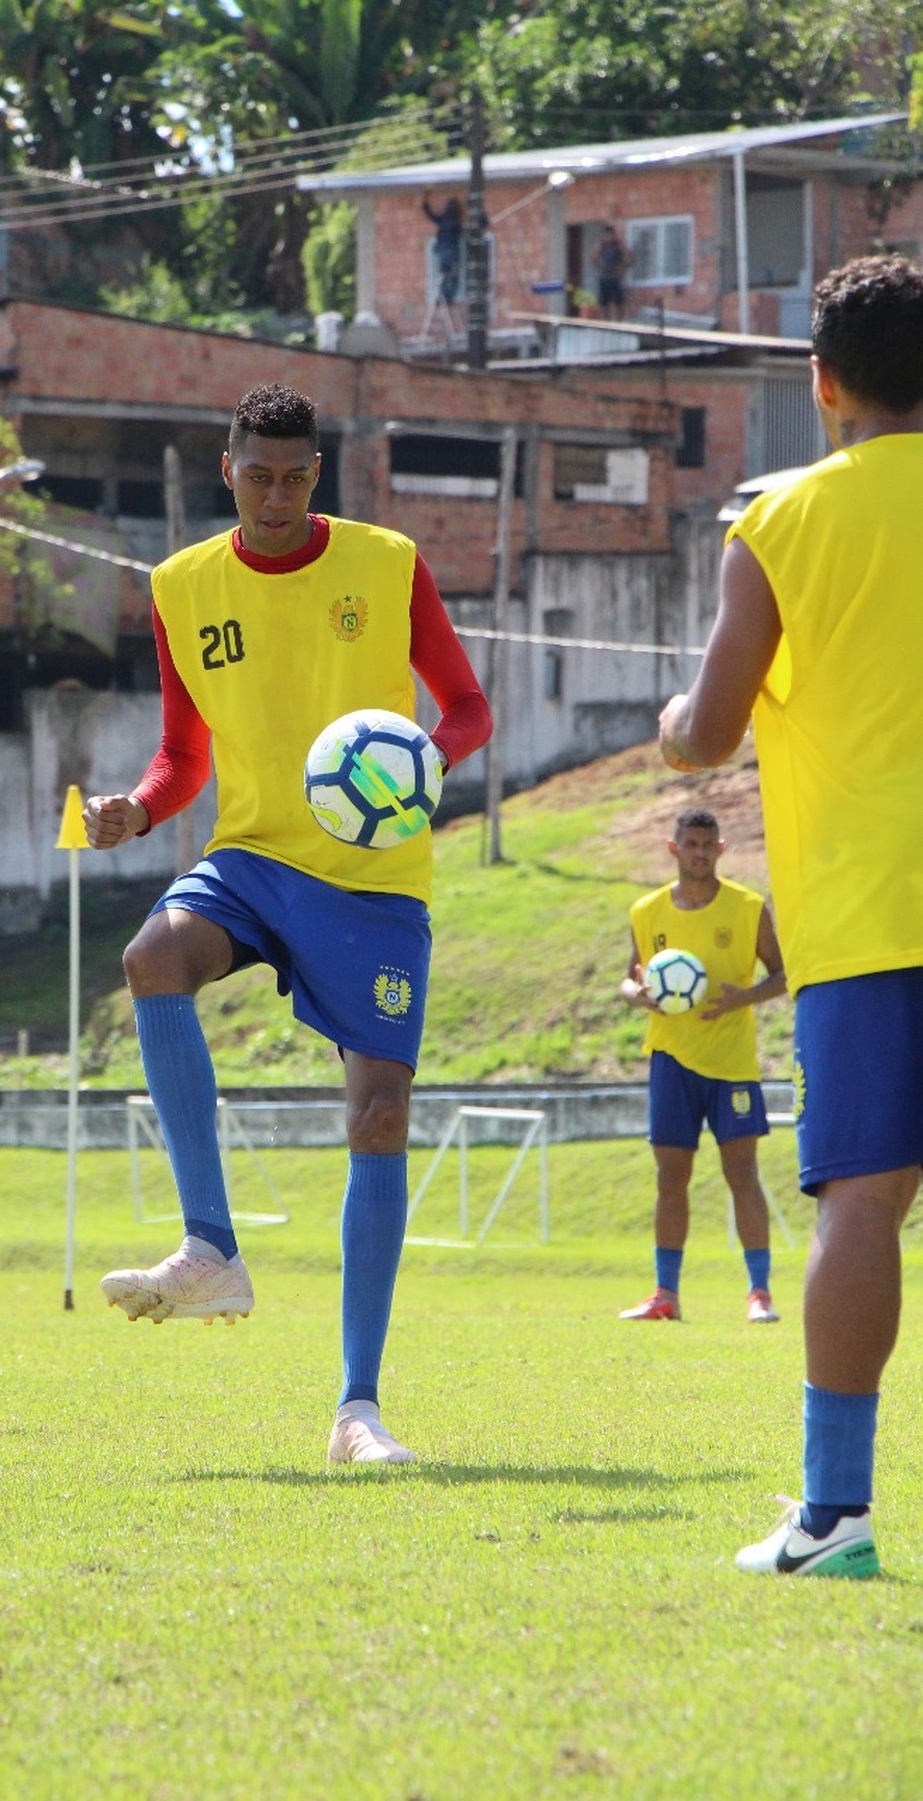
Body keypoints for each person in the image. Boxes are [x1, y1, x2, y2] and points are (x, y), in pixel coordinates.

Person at [84, 382, 492, 1465]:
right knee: (152, 957)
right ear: (228, 470)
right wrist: (139, 806)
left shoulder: (387, 560)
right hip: (253, 857)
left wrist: (421, 764)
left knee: (378, 1117)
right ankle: (210, 1246)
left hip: (374, 880)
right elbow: (184, 757)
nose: (276, 495)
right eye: (257, 475)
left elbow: (467, 706)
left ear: (319, 473)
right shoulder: (180, 586)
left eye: (295, 475)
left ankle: (358, 1407)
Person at [659, 253, 923, 1579]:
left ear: (822, 385)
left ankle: (835, 1517)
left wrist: (671, 723)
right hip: (864, 929)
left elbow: (702, 734)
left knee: (864, 1205)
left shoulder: (779, 520)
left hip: (870, 927)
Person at [619, 807, 787, 1325]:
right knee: (671, 1178)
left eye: (707, 845)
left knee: (742, 1173)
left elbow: (784, 974)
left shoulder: (748, 907)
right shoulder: (646, 912)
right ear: (673, 849)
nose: (699, 853)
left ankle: (759, 1293)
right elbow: (628, 980)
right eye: (689, 844)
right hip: (671, 1060)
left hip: (732, 1063)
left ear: (721, 849)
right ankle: (665, 1294)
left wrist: (744, 998)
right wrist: (639, 996)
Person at [422, 192, 464, 305]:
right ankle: (447, 297)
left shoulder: (443, 219)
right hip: (451, 253)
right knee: (452, 275)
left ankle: (444, 296)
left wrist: (426, 197)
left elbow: (429, 213)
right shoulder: (457, 222)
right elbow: (464, 233)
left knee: (445, 275)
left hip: (442, 252)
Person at [592, 225, 629, 320]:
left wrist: (622, 269)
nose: (609, 237)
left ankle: (620, 321)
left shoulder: (618, 245)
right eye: (607, 235)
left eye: (611, 234)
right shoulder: (601, 245)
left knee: (619, 302)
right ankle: (605, 322)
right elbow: (594, 258)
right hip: (604, 278)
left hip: (615, 278)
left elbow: (628, 257)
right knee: (604, 303)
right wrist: (599, 268)